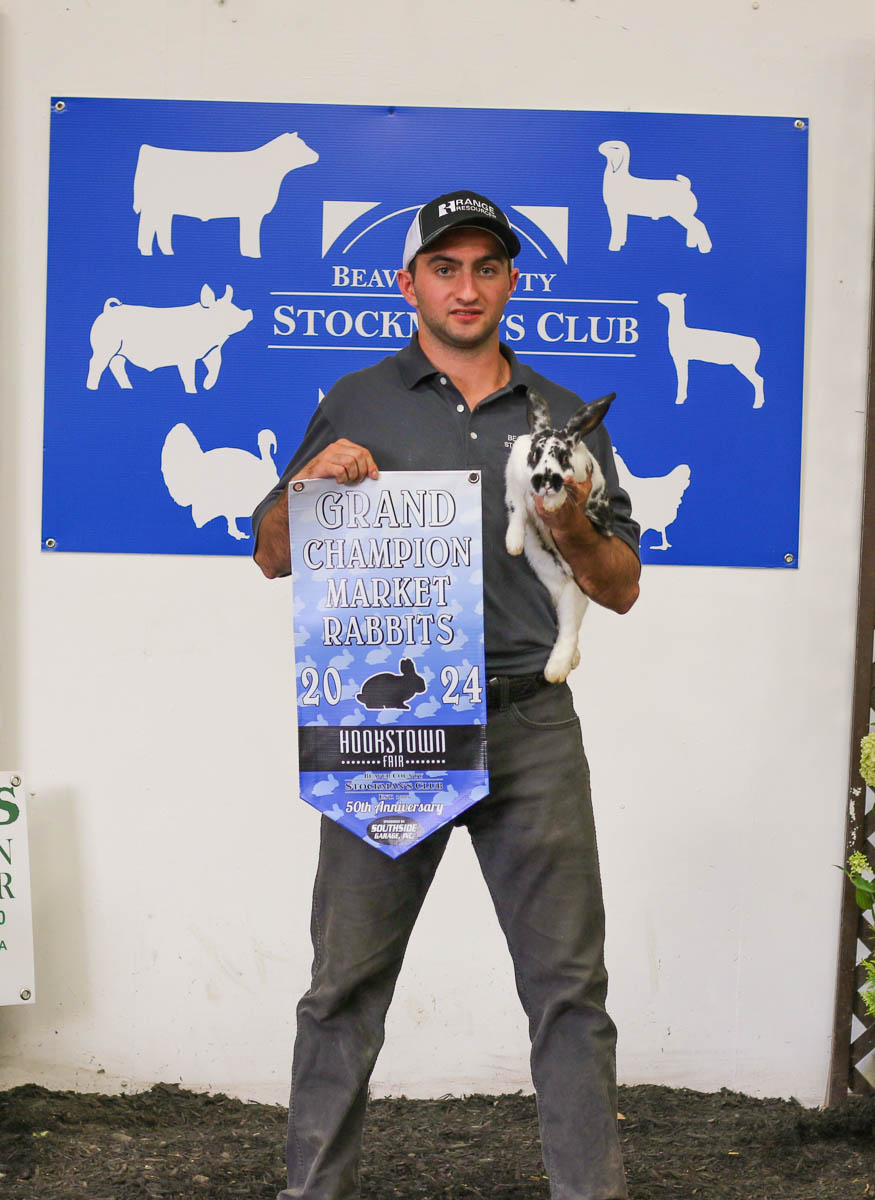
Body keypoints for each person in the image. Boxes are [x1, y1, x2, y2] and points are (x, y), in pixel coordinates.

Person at [252, 190, 641, 1200]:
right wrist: (310, 487)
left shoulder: (562, 415)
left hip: (529, 721)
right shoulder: (356, 399)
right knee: (342, 987)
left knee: (569, 994)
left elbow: (620, 587)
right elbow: (270, 553)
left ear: (509, 282)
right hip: (393, 726)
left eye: (485, 268)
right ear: (408, 283)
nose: (465, 287)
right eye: (444, 267)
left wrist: (570, 525)